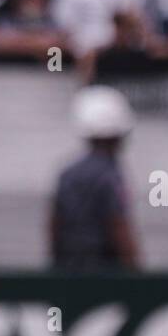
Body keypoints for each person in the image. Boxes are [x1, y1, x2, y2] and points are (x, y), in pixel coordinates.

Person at [49, 86, 140, 270]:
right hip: (106, 273)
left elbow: (54, 225)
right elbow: (118, 226)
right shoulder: (111, 175)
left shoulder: (67, 173)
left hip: (69, 269)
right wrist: (136, 275)